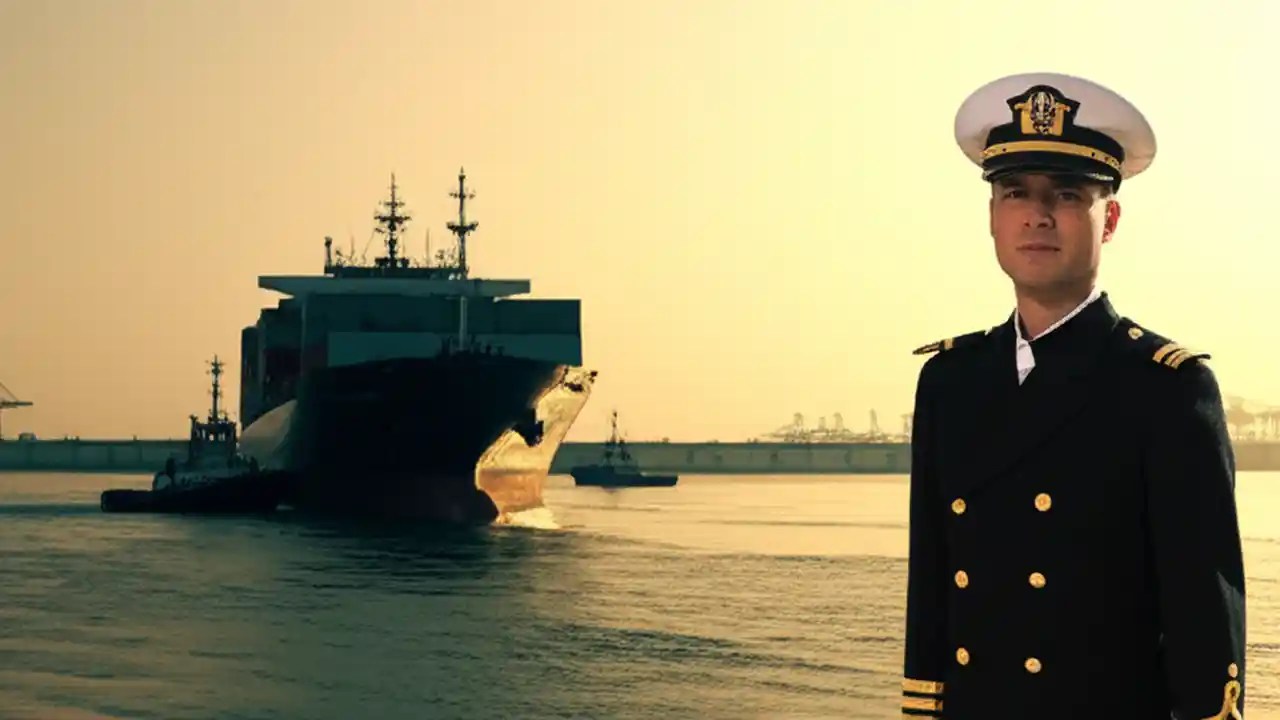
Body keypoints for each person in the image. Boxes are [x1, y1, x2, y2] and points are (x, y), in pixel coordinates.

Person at [899, 72, 1247, 719]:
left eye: (1065, 194)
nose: (1037, 214)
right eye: (1014, 193)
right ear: (993, 217)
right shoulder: (950, 381)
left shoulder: (1164, 386)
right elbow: (932, 588)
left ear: (1108, 218)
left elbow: (1204, 608)